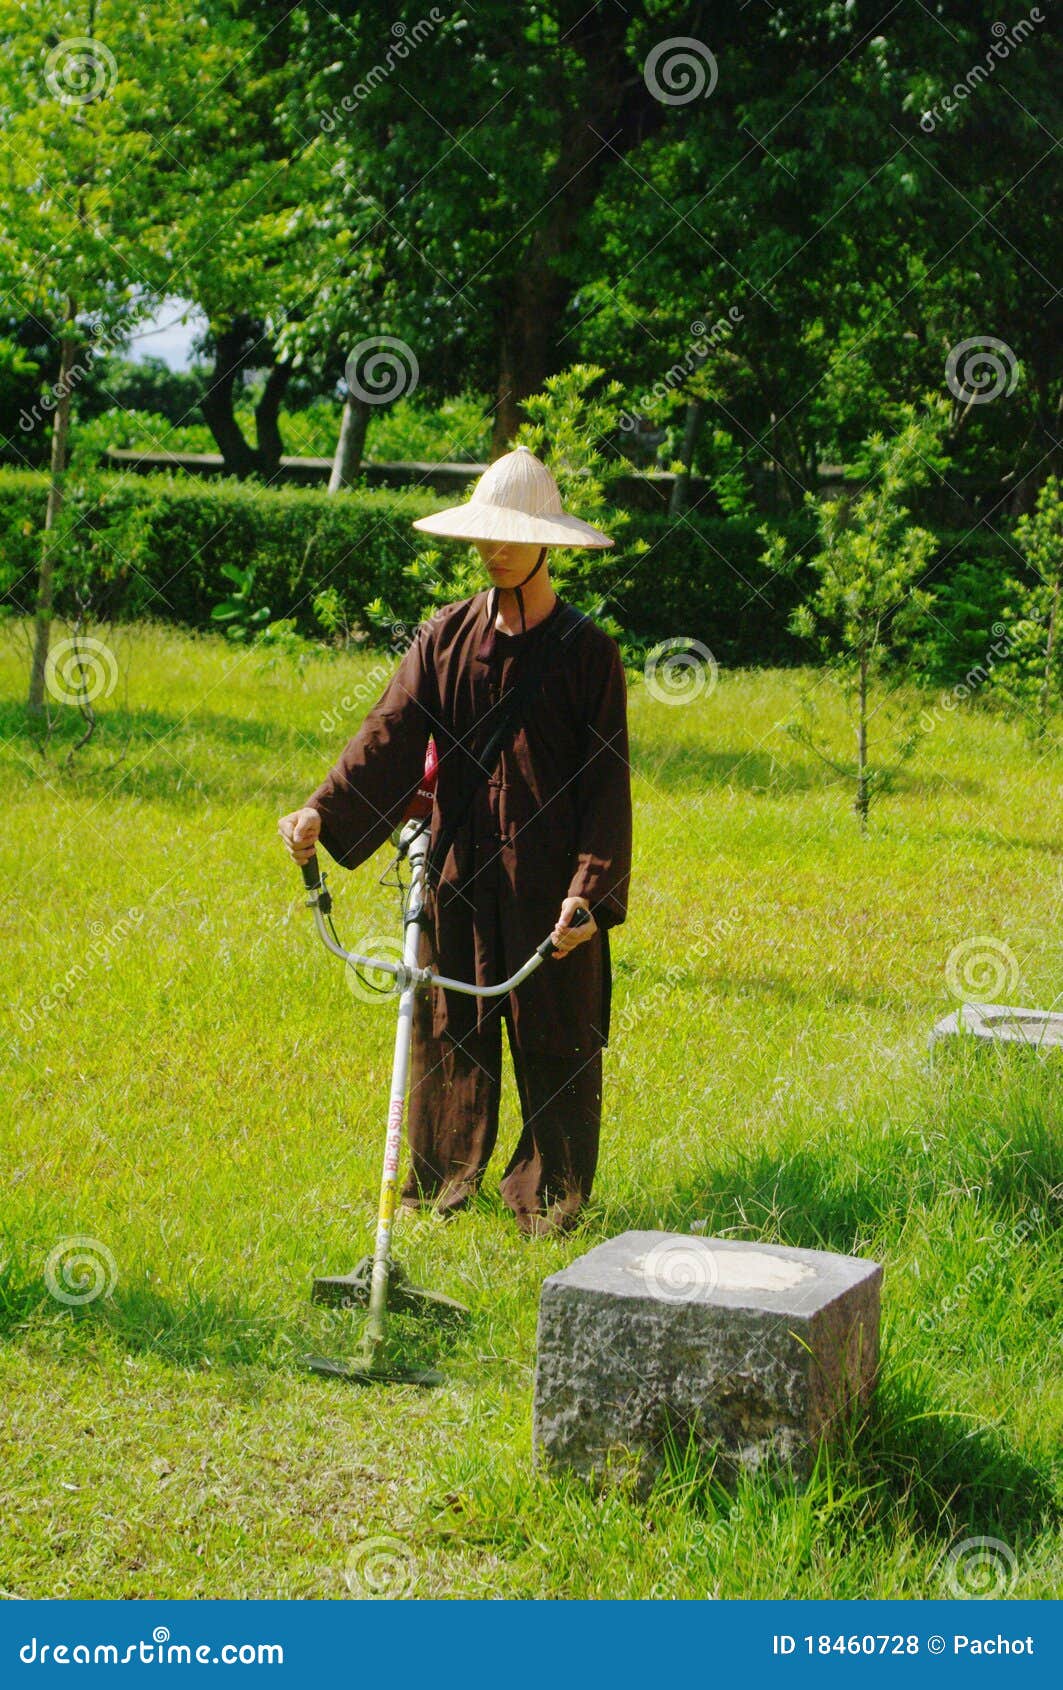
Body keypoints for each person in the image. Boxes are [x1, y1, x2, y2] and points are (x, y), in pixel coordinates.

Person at [278, 446, 632, 1236]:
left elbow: (607, 783)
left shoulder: (589, 654)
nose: (493, 548)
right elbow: (388, 734)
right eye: (485, 533)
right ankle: (436, 1187)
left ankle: (550, 1199)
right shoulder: (443, 636)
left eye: (511, 534)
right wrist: (320, 814)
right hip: (459, 864)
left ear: (545, 542)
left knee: (556, 1036)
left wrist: (589, 892)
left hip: (551, 877)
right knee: (447, 1029)